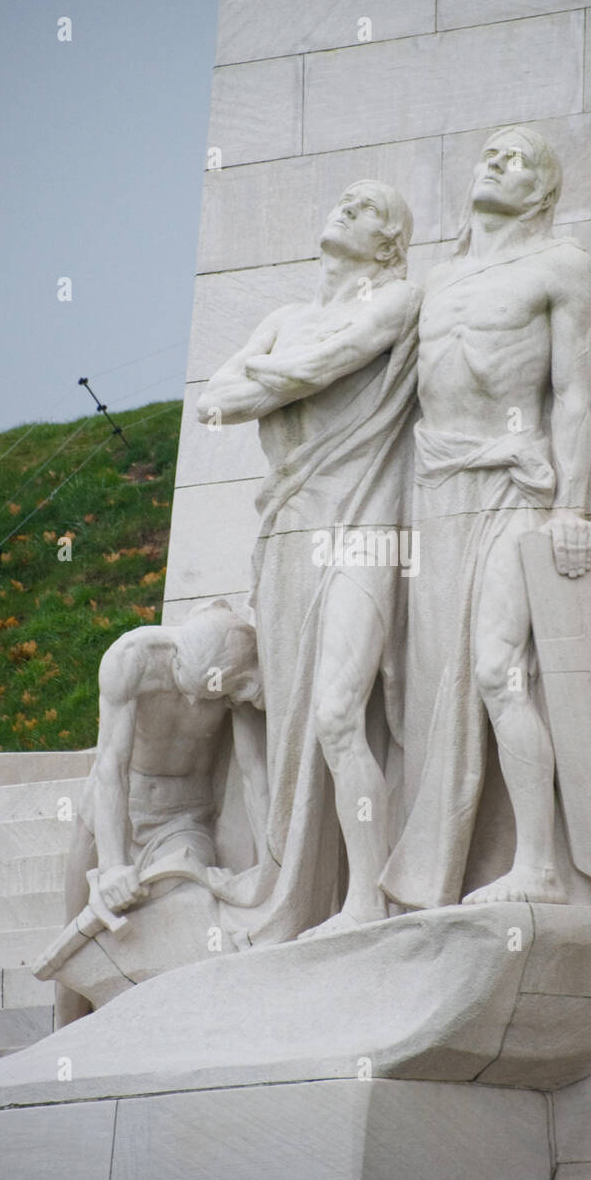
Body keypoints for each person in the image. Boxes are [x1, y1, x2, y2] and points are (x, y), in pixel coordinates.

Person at [381, 126, 591, 912]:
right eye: (488, 152)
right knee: (429, 686)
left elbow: (573, 395)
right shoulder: (438, 278)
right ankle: (433, 869)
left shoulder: (560, 265)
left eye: (514, 157)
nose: (493, 161)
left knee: (496, 668)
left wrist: (570, 507)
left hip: (517, 485)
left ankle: (538, 866)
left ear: (542, 189)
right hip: (435, 488)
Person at [197, 181, 421, 942]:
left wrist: (265, 378)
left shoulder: (396, 300)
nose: (345, 209)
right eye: (343, 200)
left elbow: (319, 368)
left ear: (388, 244)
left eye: (366, 208)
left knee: (336, 710)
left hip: (365, 525)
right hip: (288, 530)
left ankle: (368, 899)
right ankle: (298, 886)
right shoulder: (283, 318)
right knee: (295, 722)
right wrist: (276, 377)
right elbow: (213, 402)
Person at [55, 598, 267, 1025]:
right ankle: (63, 1040)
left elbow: (254, 775)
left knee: (180, 915)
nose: (194, 701)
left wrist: (269, 870)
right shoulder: (131, 659)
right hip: (110, 814)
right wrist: (112, 866)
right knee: (74, 945)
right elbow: (111, 765)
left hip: (182, 821)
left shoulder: (232, 673)